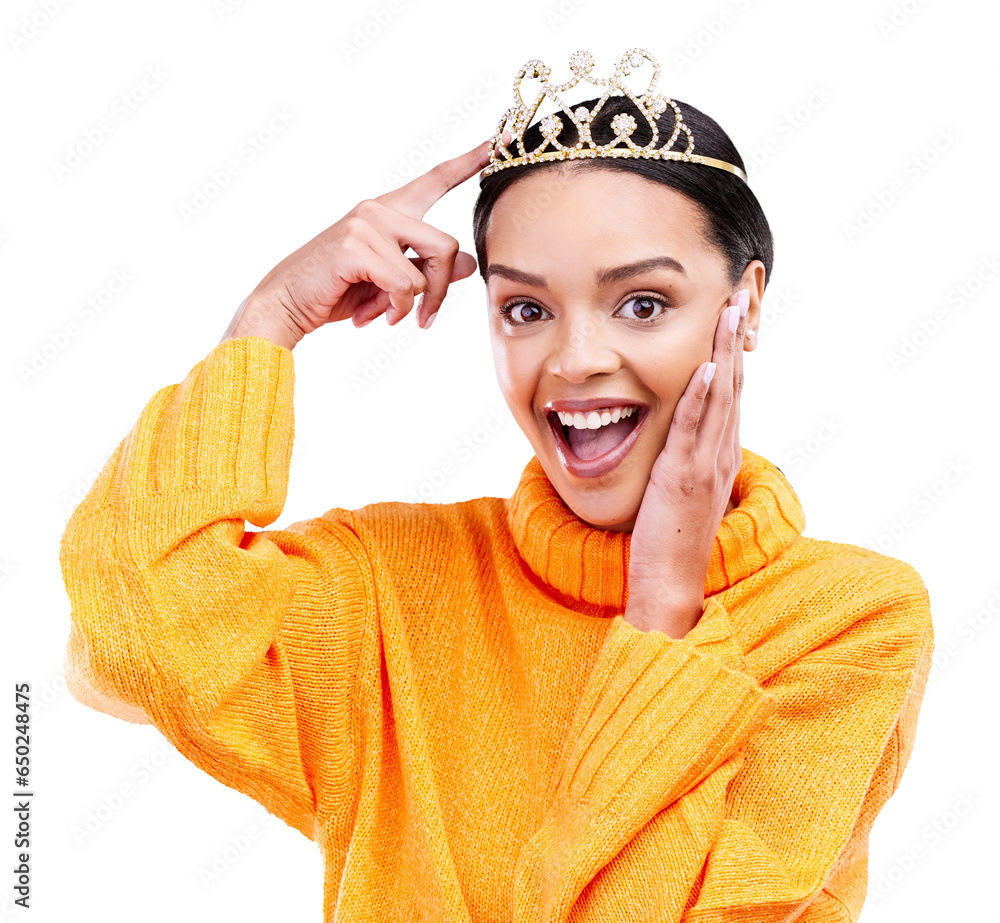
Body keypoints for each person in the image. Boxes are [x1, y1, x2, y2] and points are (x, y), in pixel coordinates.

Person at [60, 48, 934, 922]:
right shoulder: (390, 585)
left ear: (743, 302)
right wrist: (271, 317)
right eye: (527, 309)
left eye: (642, 303)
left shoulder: (852, 620)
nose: (576, 360)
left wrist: (664, 604)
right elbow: (133, 639)